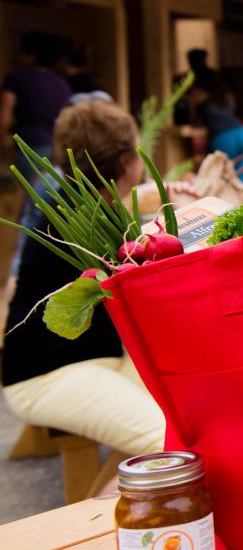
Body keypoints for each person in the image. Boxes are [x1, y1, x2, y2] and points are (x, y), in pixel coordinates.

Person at [3, 101, 187, 458]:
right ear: (125, 162)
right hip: (49, 375)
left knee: (194, 413)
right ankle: (113, 510)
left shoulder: (86, 207)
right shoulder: (76, 221)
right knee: (167, 440)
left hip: (102, 359)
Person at [1, 32, 72, 175]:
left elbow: (5, 117)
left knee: (32, 195)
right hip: (59, 152)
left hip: (31, 149)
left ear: (30, 54)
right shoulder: (63, 83)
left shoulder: (17, 78)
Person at [190, 78, 243, 183]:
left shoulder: (202, 105)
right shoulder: (223, 100)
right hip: (242, 133)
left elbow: (194, 123)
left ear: (200, 91)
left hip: (224, 139)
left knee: (224, 179)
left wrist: (192, 104)